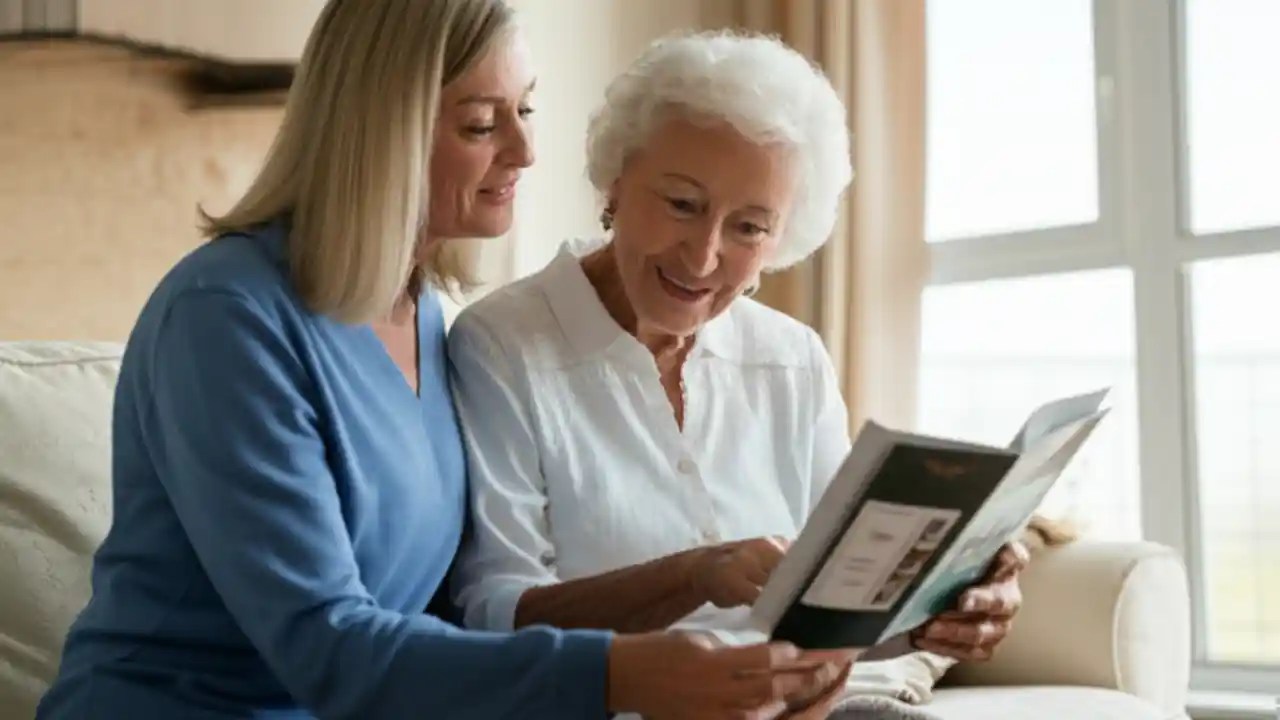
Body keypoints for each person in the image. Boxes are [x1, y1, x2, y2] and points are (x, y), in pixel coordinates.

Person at [35, 4, 845, 719]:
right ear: (380, 129)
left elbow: (445, 619)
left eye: (525, 109)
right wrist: (618, 673)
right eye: (482, 124)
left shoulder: (428, 320)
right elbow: (328, 647)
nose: (527, 150)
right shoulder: (226, 318)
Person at [448, 30, 1030, 716]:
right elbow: (494, 618)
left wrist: (952, 598)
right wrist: (695, 575)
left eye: (749, 228)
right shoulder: (503, 343)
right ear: (616, 181)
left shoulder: (793, 359)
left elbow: (840, 607)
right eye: (682, 205)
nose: (702, 258)